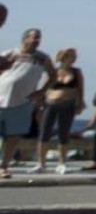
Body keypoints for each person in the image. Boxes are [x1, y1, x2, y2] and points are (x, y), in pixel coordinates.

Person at [0, 29, 55, 179]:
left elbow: (53, 76)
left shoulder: (42, 58)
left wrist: (41, 91)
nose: (37, 40)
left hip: (23, 102)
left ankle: (4, 167)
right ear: (25, 39)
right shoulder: (9, 54)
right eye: (34, 37)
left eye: (39, 38)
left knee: (14, 136)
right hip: (1, 98)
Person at [34, 48, 86, 174]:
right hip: (50, 103)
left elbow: (80, 89)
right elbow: (44, 87)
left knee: (64, 133)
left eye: (75, 55)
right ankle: (41, 163)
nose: (74, 58)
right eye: (71, 55)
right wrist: (39, 104)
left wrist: (80, 103)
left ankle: (62, 163)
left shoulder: (76, 72)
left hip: (67, 104)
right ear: (64, 57)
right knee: (44, 133)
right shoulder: (54, 71)